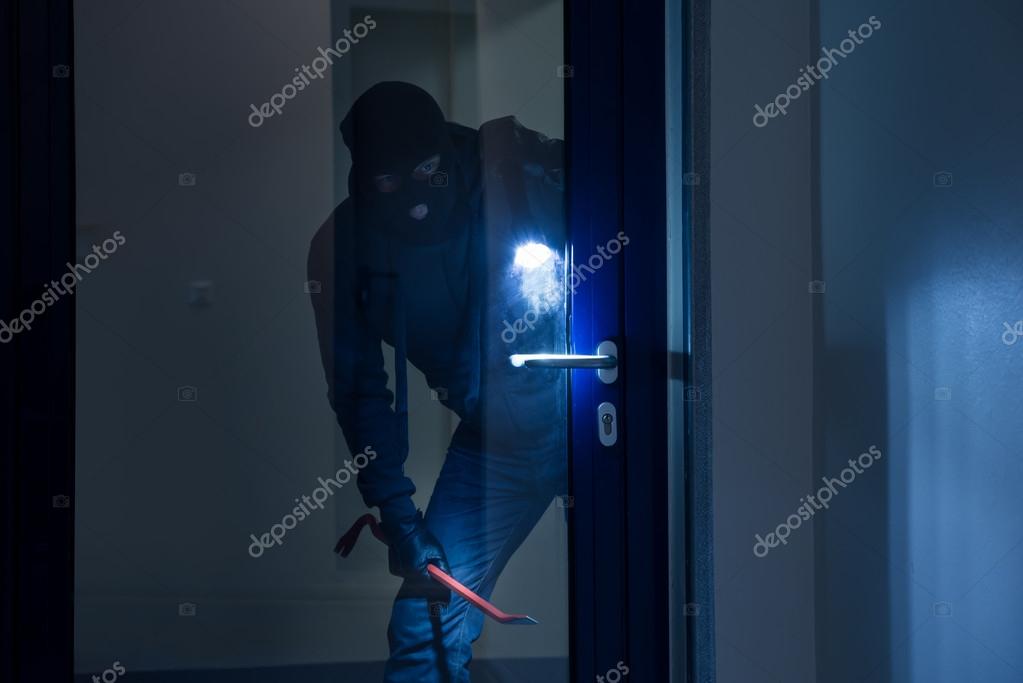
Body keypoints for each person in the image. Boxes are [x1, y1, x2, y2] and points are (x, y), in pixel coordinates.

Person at [308, 81, 568, 682]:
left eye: (429, 171)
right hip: (496, 443)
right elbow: (358, 392)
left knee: (631, 601)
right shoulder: (343, 250)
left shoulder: (516, 175)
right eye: (391, 184)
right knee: (424, 622)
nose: (418, 200)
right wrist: (398, 517)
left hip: (595, 417)